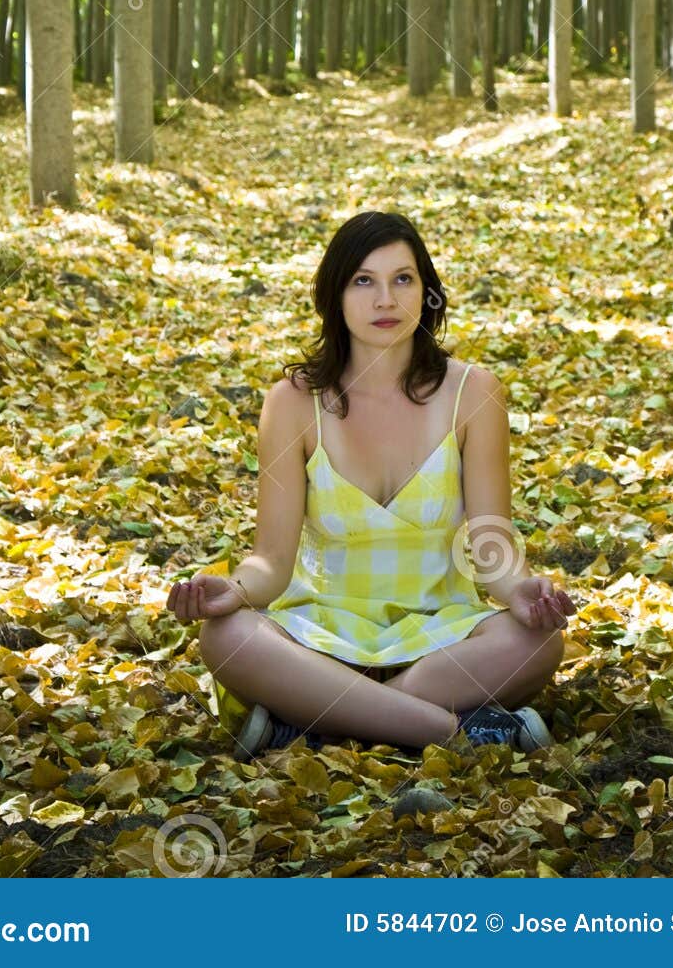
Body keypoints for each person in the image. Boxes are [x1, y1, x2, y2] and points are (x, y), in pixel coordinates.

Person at [166, 210, 574, 758]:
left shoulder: (474, 393)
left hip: (441, 636)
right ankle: (451, 732)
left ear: (427, 292)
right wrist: (235, 591)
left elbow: (489, 543)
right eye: (364, 281)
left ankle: (316, 726)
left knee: (537, 642)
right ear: (334, 294)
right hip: (319, 637)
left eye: (403, 279)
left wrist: (520, 590)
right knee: (227, 637)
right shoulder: (292, 403)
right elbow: (271, 560)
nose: (386, 299)